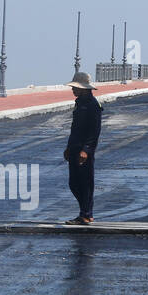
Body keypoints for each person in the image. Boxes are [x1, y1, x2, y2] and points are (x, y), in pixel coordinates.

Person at [63, 71, 102, 225]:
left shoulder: (93, 105)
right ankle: (85, 212)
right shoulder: (80, 103)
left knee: (85, 183)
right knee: (74, 183)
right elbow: (75, 128)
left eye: (75, 88)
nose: (73, 90)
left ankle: (86, 214)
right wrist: (68, 147)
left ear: (84, 89)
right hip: (74, 148)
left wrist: (86, 150)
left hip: (84, 151)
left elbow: (94, 131)